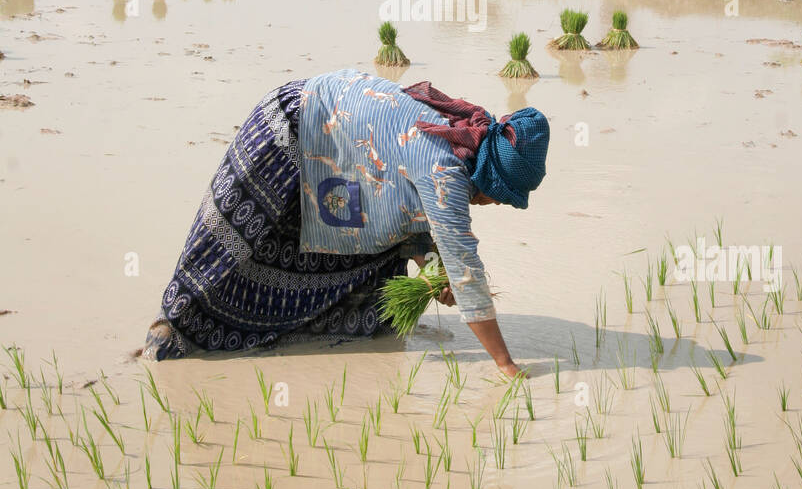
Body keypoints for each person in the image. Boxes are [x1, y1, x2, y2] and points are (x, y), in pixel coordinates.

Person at [142, 67, 549, 375]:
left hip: (339, 154)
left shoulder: (461, 134)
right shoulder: (445, 171)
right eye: (501, 197)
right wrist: (505, 365)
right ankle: (172, 329)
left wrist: (432, 270)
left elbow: (408, 198)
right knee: (234, 242)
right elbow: (467, 274)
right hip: (293, 128)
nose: (496, 206)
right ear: (492, 176)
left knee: (370, 287)